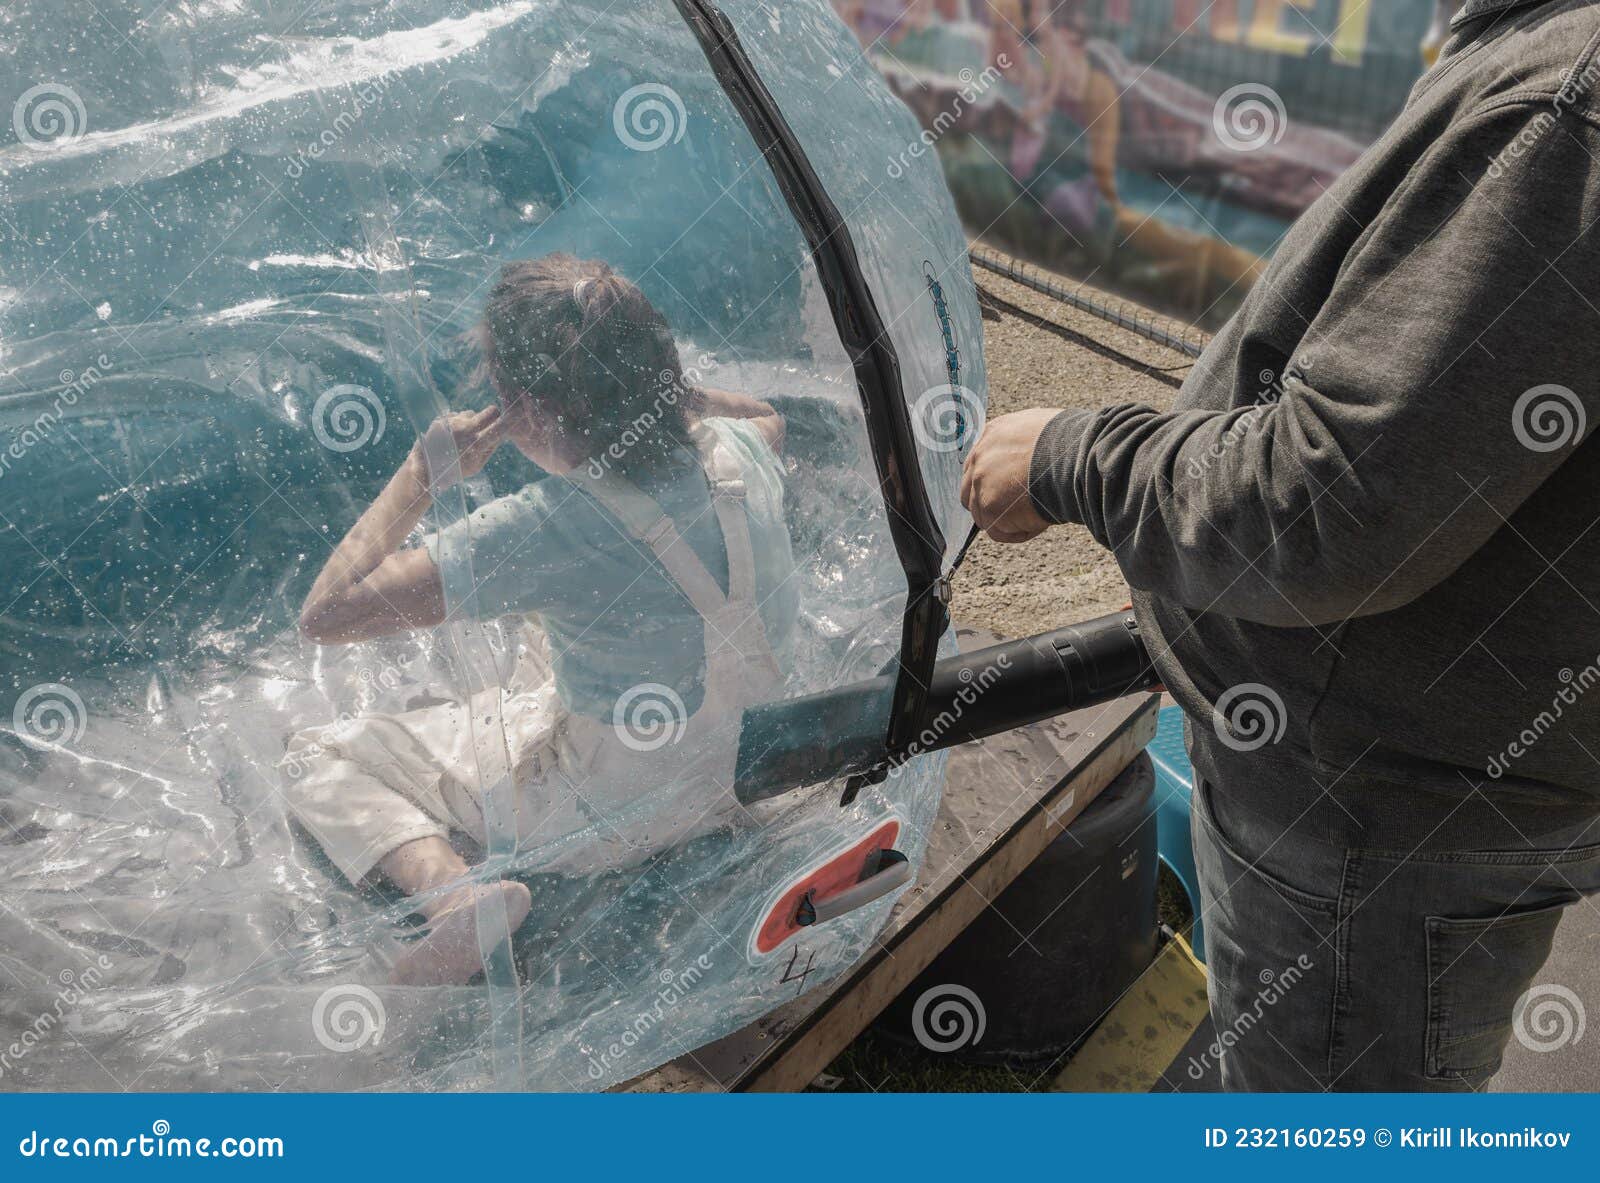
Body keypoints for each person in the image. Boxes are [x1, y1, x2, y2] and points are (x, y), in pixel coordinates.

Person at [961, 0, 1600, 1090]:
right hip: (1436, 786)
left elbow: (1327, 510)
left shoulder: (1566, 103)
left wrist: (1077, 458)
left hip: (1374, 821)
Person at [288, 254, 796, 986]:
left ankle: (456, 899)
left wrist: (420, 477)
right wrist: (662, 391)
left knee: (317, 755)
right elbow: (765, 414)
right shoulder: (740, 451)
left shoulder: (546, 529)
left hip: (619, 810)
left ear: (520, 407)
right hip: (754, 759)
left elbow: (326, 613)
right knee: (554, 626)